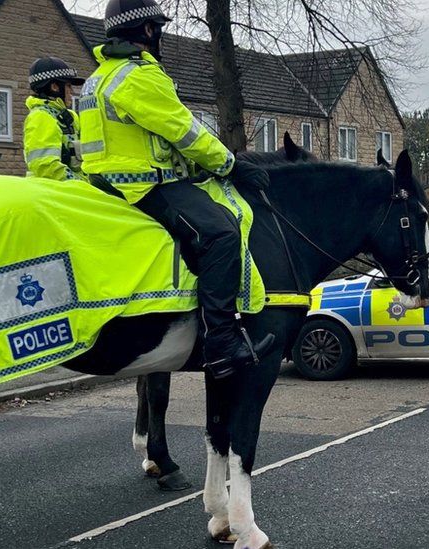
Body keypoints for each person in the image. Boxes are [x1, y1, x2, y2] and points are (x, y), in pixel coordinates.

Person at [79, 0, 272, 378]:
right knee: (221, 233)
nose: (161, 35)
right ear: (148, 31)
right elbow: (185, 131)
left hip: (104, 184)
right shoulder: (138, 76)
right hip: (144, 185)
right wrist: (230, 165)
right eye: (158, 28)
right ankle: (221, 343)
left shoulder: (98, 78)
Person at [24, 57, 86, 181]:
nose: (72, 92)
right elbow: (46, 166)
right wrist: (82, 186)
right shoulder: (41, 116)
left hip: (69, 190)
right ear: (55, 87)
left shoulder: (70, 116)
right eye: (68, 86)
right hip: (52, 191)